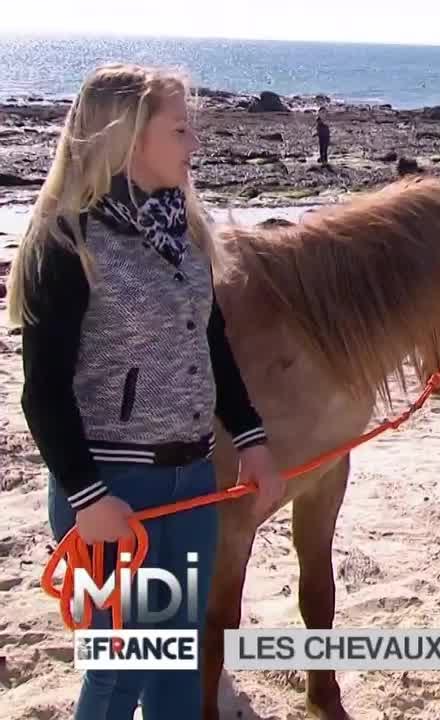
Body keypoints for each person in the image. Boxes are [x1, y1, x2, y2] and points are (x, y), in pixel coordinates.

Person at [8, 63, 286, 718]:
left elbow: (210, 341)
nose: (194, 145)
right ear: (129, 138)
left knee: (178, 667)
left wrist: (252, 441)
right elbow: (41, 392)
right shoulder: (68, 242)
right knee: (120, 672)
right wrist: (87, 495)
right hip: (114, 490)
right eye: (181, 130)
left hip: (190, 481)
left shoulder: (182, 232)